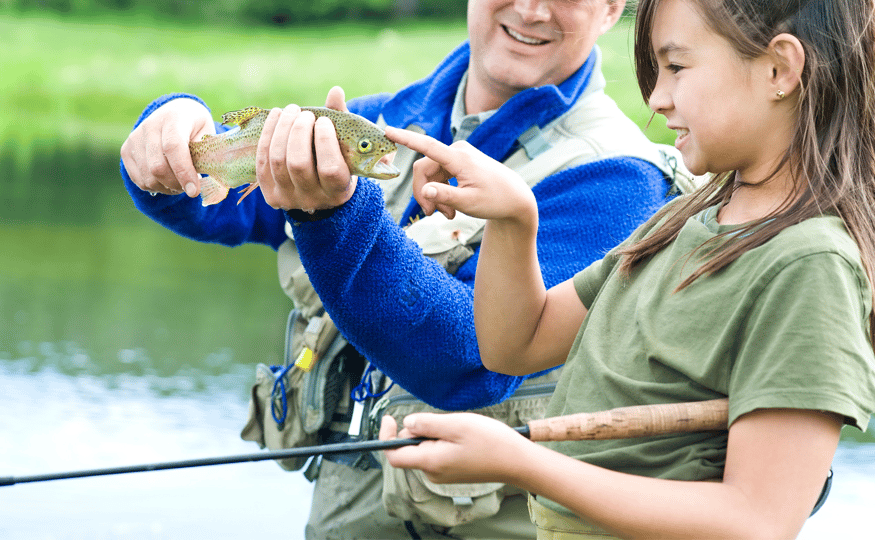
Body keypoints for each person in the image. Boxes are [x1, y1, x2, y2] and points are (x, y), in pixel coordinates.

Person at [119, 0, 697, 537]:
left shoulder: (620, 180)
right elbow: (217, 209)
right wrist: (169, 140)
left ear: (612, 8)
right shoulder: (387, 119)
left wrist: (336, 212)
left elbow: (472, 360)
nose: (531, 9)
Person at [380, 0, 875, 537]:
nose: (656, 98)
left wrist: (523, 462)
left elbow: (757, 519)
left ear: (779, 70)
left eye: (676, 67)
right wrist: (513, 218)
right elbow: (517, 344)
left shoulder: (810, 265)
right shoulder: (685, 219)